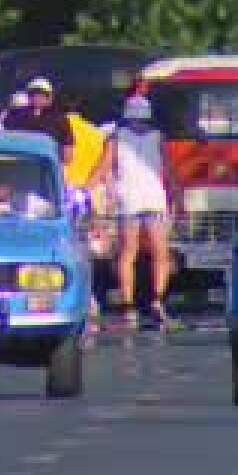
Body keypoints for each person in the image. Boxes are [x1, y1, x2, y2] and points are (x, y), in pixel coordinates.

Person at [92, 94, 173, 329]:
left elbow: (104, 167)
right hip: (145, 200)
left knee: (136, 252)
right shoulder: (141, 138)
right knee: (151, 252)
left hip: (138, 200)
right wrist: (177, 196)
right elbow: (168, 170)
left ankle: (138, 305)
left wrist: (86, 188)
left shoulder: (119, 138)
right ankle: (149, 302)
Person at [2, 77, 74, 165]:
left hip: (45, 167)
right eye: (34, 94)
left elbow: (68, 153)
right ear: (28, 96)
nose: (38, 97)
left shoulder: (60, 120)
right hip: (16, 164)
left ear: (50, 98)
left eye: (43, 95)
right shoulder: (14, 115)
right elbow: (4, 140)